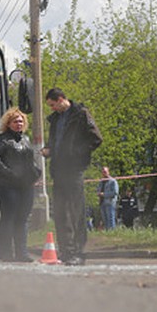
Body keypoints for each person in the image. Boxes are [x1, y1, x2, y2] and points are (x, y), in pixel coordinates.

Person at [41, 88, 103, 266]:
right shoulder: (55, 119)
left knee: (76, 211)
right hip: (58, 169)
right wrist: (49, 149)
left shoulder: (80, 114)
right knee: (61, 212)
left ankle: (79, 253)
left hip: (74, 169)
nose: (52, 108)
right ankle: (66, 251)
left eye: (53, 104)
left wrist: (75, 153)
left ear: (61, 99)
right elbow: (55, 140)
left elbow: (96, 139)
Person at [0, 108, 39, 262]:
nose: (19, 124)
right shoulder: (0, 139)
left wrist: (36, 173)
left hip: (26, 185)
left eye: (21, 121)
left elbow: (31, 161)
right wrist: (10, 174)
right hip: (7, 185)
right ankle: (6, 252)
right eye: (15, 121)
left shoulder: (26, 140)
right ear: (8, 123)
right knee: (8, 218)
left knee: (23, 218)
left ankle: (22, 253)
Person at [97, 166, 119, 230]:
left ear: (108, 172)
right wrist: (98, 193)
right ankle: (107, 232)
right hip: (102, 202)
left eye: (105, 172)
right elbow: (98, 190)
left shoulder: (113, 181)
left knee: (111, 219)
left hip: (110, 203)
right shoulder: (101, 182)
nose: (104, 173)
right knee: (105, 220)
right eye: (103, 172)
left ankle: (112, 232)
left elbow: (115, 192)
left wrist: (104, 194)